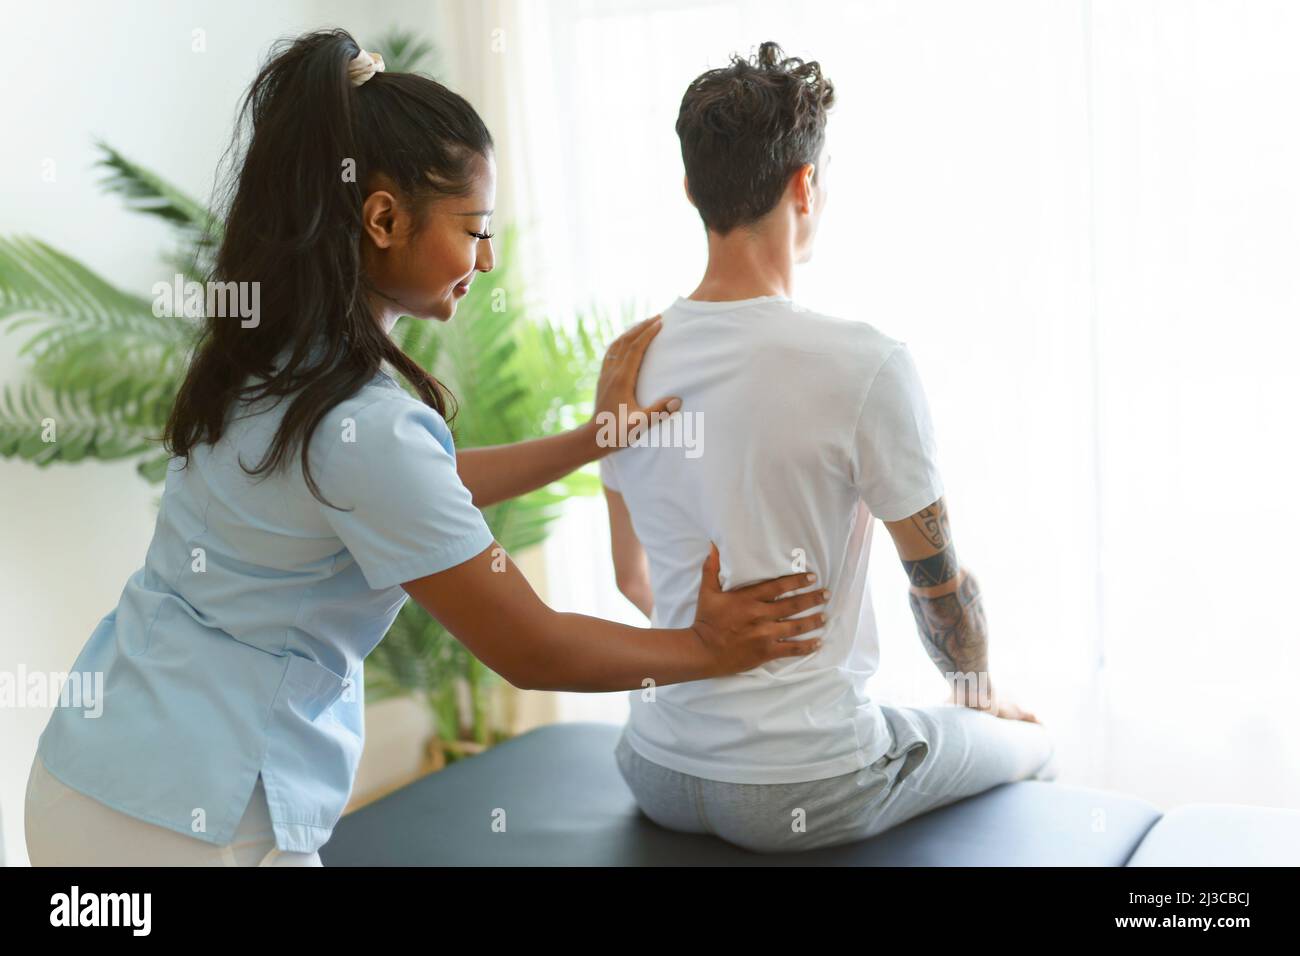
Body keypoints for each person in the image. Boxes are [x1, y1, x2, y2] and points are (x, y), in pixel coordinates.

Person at [23, 29, 828, 867]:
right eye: (475, 229)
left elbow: (418, 492)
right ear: (382, 218)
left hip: (87, 772)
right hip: (188, 819)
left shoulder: (261, 362)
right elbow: (528, 644)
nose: (485, 260)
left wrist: (596, 439)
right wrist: (708, 649)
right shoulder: (362, 425)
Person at [600, 41, 1059, 854]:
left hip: (655, 768)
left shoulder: (627, 360)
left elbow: (633, 581)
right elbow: (939, 589)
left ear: (689, 190)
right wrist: (976, 692)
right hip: (802, 785)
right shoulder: (864, 362)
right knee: (1035, 744)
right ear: (804, 184)